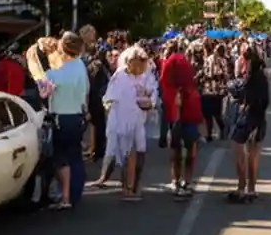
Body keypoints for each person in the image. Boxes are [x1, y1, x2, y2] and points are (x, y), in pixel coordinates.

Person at [98, 46, 157, 200]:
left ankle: (136, 185)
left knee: (140, 152)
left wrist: (150, 102)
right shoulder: (120, 76)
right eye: (137, 64)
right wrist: (109, 108)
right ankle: (127, 187)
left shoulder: (146, 76)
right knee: (126, 153)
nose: (140, 68)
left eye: (142, 64)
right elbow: (108, 97)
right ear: (129, 62)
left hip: (138, 120)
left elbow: (153, 94)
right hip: (121, 121)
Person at [43, 32, 90, 210]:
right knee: (75, 155)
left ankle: (65, 196)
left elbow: (44, 91)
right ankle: (75, 194)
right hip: (77, 115)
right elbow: (85, 91)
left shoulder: (54, 71)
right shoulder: (80, 66)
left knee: (60, 157)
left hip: (60, 117)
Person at [160, 39, 203, 199]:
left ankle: (176, 181)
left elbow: (165, 84)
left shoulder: (170, 62)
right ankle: (187, 181)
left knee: (176, 148)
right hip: (190, 107)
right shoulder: (185, 62)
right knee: (189, 147)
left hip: (177, 109)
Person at [229, 48, 270, 203]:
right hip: (260, 120)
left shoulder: (249, 80)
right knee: (254, 157)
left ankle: (241, 187)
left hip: (247, 120)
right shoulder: (263, 78)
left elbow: (237, 91)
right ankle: (252, 189)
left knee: (239, 154)